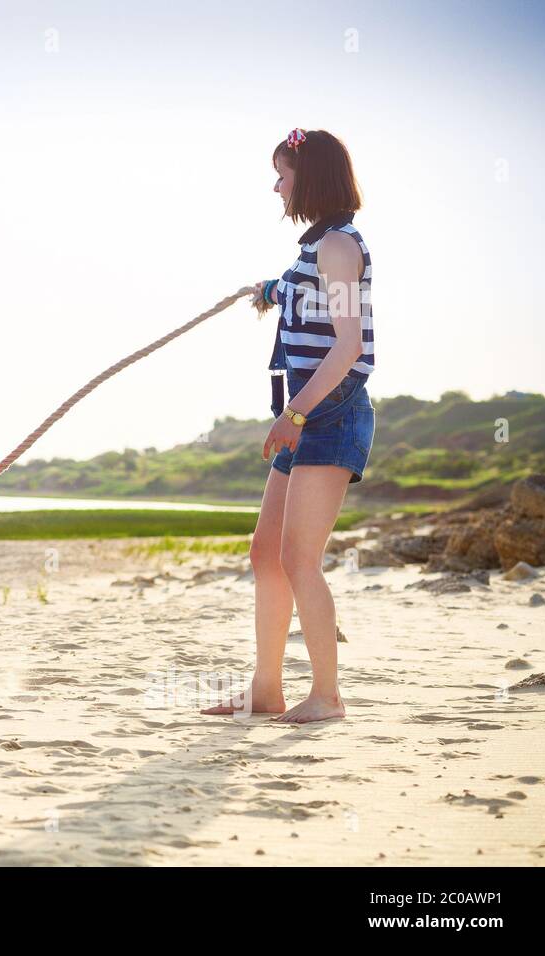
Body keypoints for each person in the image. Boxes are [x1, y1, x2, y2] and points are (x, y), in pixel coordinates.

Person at [202, 129, 376, 723]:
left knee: (300, 557)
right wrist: (270, 291)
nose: (277, 185)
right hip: (305, 417)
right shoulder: (315, 248)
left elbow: (348, 344)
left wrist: (294, 414)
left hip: (328, 415)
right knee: (265, 555)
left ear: (311, 178)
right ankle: (266, 690)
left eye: (283, 174)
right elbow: (310, 300)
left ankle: (327, 696)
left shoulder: (338, 247)